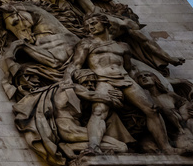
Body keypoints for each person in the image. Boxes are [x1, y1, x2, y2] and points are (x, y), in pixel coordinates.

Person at [63, 12, 175, 154]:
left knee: (152, 109)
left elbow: (128, 68)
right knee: (98, 112)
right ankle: (94, 147)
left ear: (105, 23)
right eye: (87, 26)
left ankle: (166, 147)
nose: (90, 27)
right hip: (104, 80)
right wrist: (67, 78)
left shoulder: (123, 46)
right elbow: (76, 64)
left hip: (125, 80)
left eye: (93, 23)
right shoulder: (86, 44)